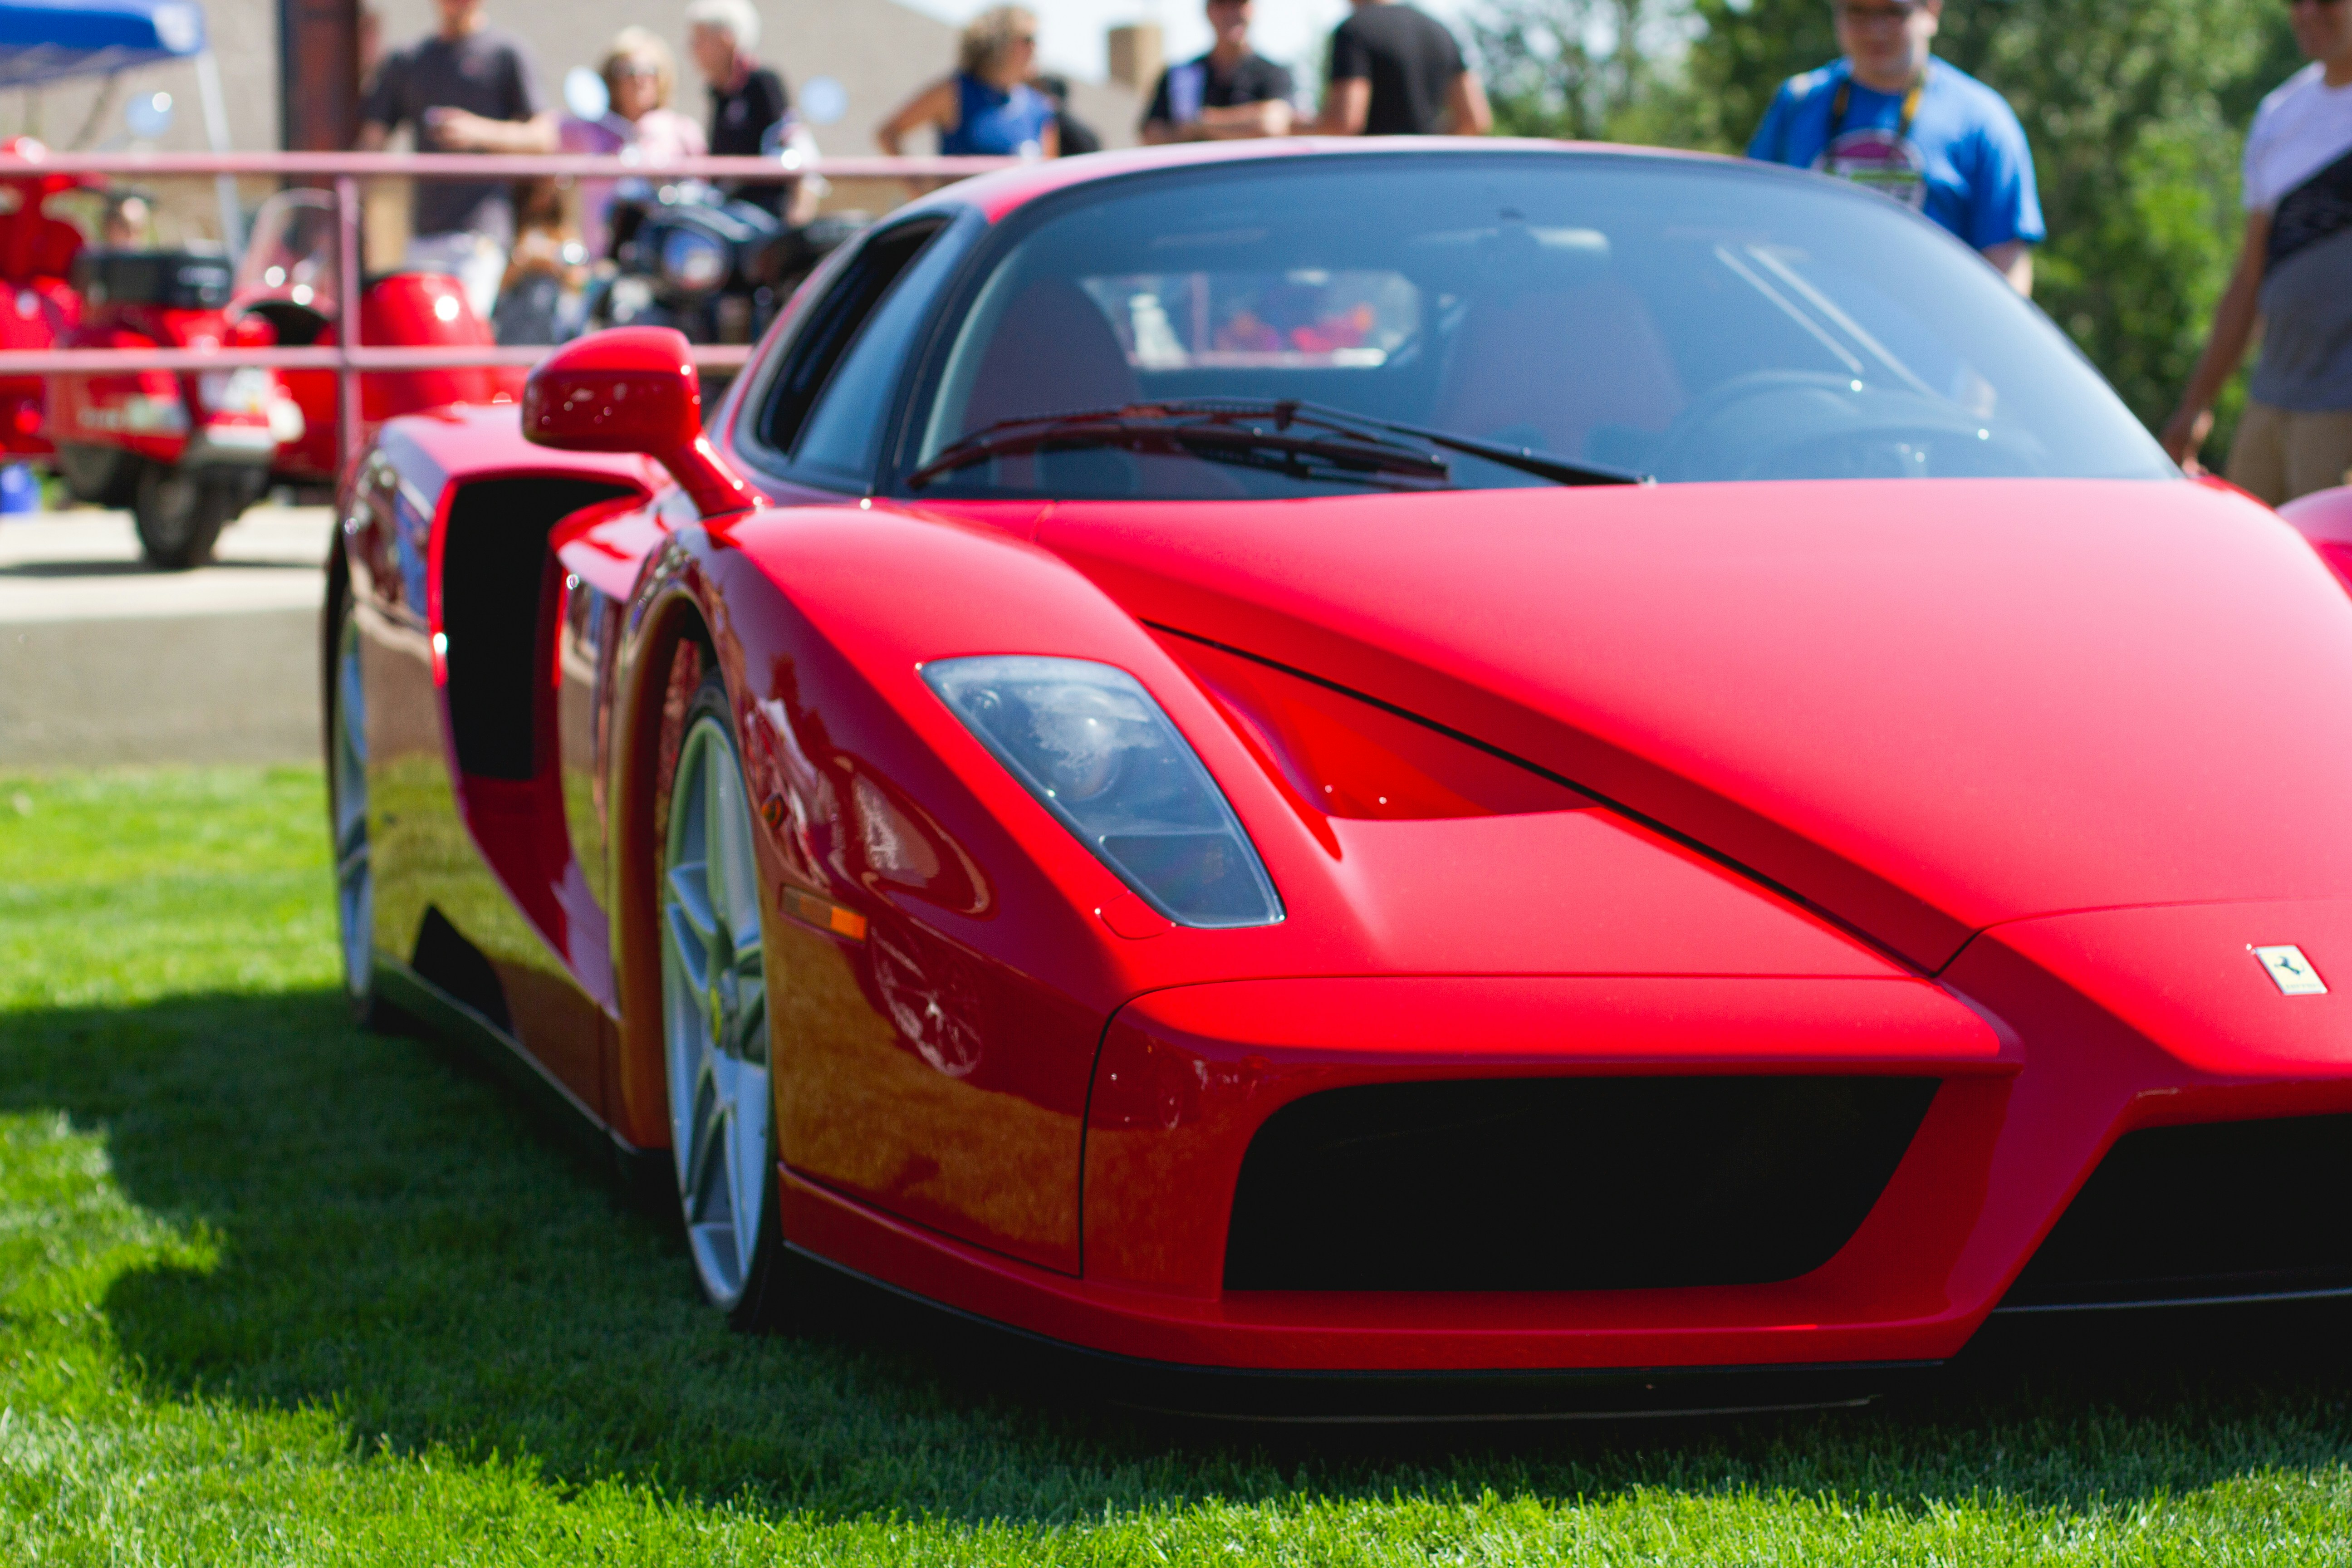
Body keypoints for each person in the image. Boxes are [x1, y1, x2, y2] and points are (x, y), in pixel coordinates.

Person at [2161, 0, 2352, 501]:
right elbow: (2249, 278)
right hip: (2271, 401)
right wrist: (2196, 406)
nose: (2308, 13)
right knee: (2251, 570)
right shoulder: (2280, 114)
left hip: (2341, 412)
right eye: (2295, 1)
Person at [1746, 0, 2041, 295]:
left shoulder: (1981, 121)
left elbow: (2007, 271)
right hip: (1811, 321)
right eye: (1857, 12)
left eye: (1893, 12)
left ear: (1932, 12)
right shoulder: (1797, 103)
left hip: (1925, 333)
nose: (1875, 30)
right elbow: (1749, 227)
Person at [356, 0, 555, 321]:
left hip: (482, 232)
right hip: (423, 235)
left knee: (463, 330)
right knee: (424, 334)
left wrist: (479, 132)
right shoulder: (410, 60)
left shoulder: (507, 54)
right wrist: (334, 213)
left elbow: (545, 137)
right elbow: (372, 142)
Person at [563, 28, 707, 259]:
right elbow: (543, 135)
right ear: (610, 80)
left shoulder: (682, 131)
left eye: (650, 71)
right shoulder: (590, 129)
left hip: (663, 258)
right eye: (627, 71)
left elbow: (701, 195)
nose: (639, 79)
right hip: (603, 259)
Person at [877, 7, 1059, 162]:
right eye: (1027, 39)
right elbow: (888, 134)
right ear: (998, 42)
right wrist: (919, 189)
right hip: (966, 205)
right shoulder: (956, 91)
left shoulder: (1040, 108)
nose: (1034, 48)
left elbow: (1046, 178)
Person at [687, 0, 808, 222]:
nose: (692, 48)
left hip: (763, 217)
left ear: (726, 38)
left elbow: (792, 146)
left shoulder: (763, 84)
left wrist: (798, 212)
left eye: (700, 40)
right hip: (725, 213)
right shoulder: (719, 94)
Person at [1311, 0, 1490, 137]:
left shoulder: (1353, 31)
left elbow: (1345, 122)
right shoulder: (1440, 31)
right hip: (1428, 174)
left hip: (1374, 174)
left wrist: (1292, 128)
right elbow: (1474, 120)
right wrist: (1426, 143)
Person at [1142, 0, 1295, 144]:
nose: (1232, 13)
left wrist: (1200, 124)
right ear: (1209, 11)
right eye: (1223, 4)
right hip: (1198, 172)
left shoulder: (1275, 74)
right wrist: (1245, 125)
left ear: (1253, 9)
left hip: (1254, 172)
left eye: (1238, 4)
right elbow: (1151, 135)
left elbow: (1273, 125)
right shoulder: (1180, 76)